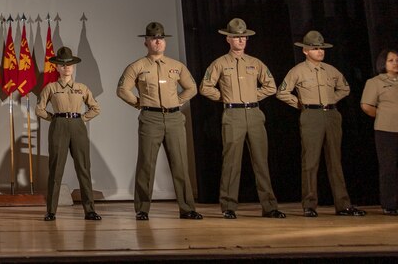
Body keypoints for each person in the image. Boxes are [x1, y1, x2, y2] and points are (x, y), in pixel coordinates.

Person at [117, 22, 203, 221]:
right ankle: (142, 209)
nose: (158, 41)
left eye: (161, 38)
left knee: (180, 164)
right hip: (150, 118)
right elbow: (122, 89)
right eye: (154, 38)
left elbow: (192, 88)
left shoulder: (176, 66)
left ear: (164, 41)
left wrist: (178, 101)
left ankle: (187, 208)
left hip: (174, 118)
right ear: (146, 42)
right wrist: (139, 103)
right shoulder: (137, 66)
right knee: (146, 164)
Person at [199, 18, 284, 219]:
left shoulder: (255, 63)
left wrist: (254, 97)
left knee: (261, 162)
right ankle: (228, 206)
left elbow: (271, 86)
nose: (241, 40)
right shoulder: (219, 63)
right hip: (232, 115)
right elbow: (205, 87)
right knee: (231, 162)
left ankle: (270, 206)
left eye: (244, 36)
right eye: (237, 37)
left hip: (254, 114)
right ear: (228, 39)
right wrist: (224, 98)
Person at [276, 31, 364, 217]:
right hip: (311, 115)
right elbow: (282, 92)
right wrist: (301, 105)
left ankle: (343, 204)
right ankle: (309, 204)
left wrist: (332, 99)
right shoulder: (298, 71)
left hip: (331, 114)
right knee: (310, 161)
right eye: (315, 48)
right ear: (305, 51)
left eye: (321, 48)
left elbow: (345, 88)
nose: (319, 51)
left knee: (335, 161)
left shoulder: (331, 70)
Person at [37, 47, 101, 221]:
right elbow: (39, 109)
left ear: (73, 67)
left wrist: (82, 119)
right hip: (59, 126)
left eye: (69, 64)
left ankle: (90, 210)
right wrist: (55, 119)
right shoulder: (51, 88)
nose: (66, 67)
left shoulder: (82, 88)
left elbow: (96, 108)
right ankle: (51, 211)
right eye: (63, 64)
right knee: (56, 169)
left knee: (84, 168)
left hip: (77, 126)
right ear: (57, 67)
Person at [361, 48, 398, 216]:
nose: (395, 63)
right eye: (391, 60)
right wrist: (384, 115)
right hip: (386, 129)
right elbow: (367, 106)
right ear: (383, 63)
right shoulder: (375, 82)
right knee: (389, 167)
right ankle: (390, 204)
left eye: (397, 60)